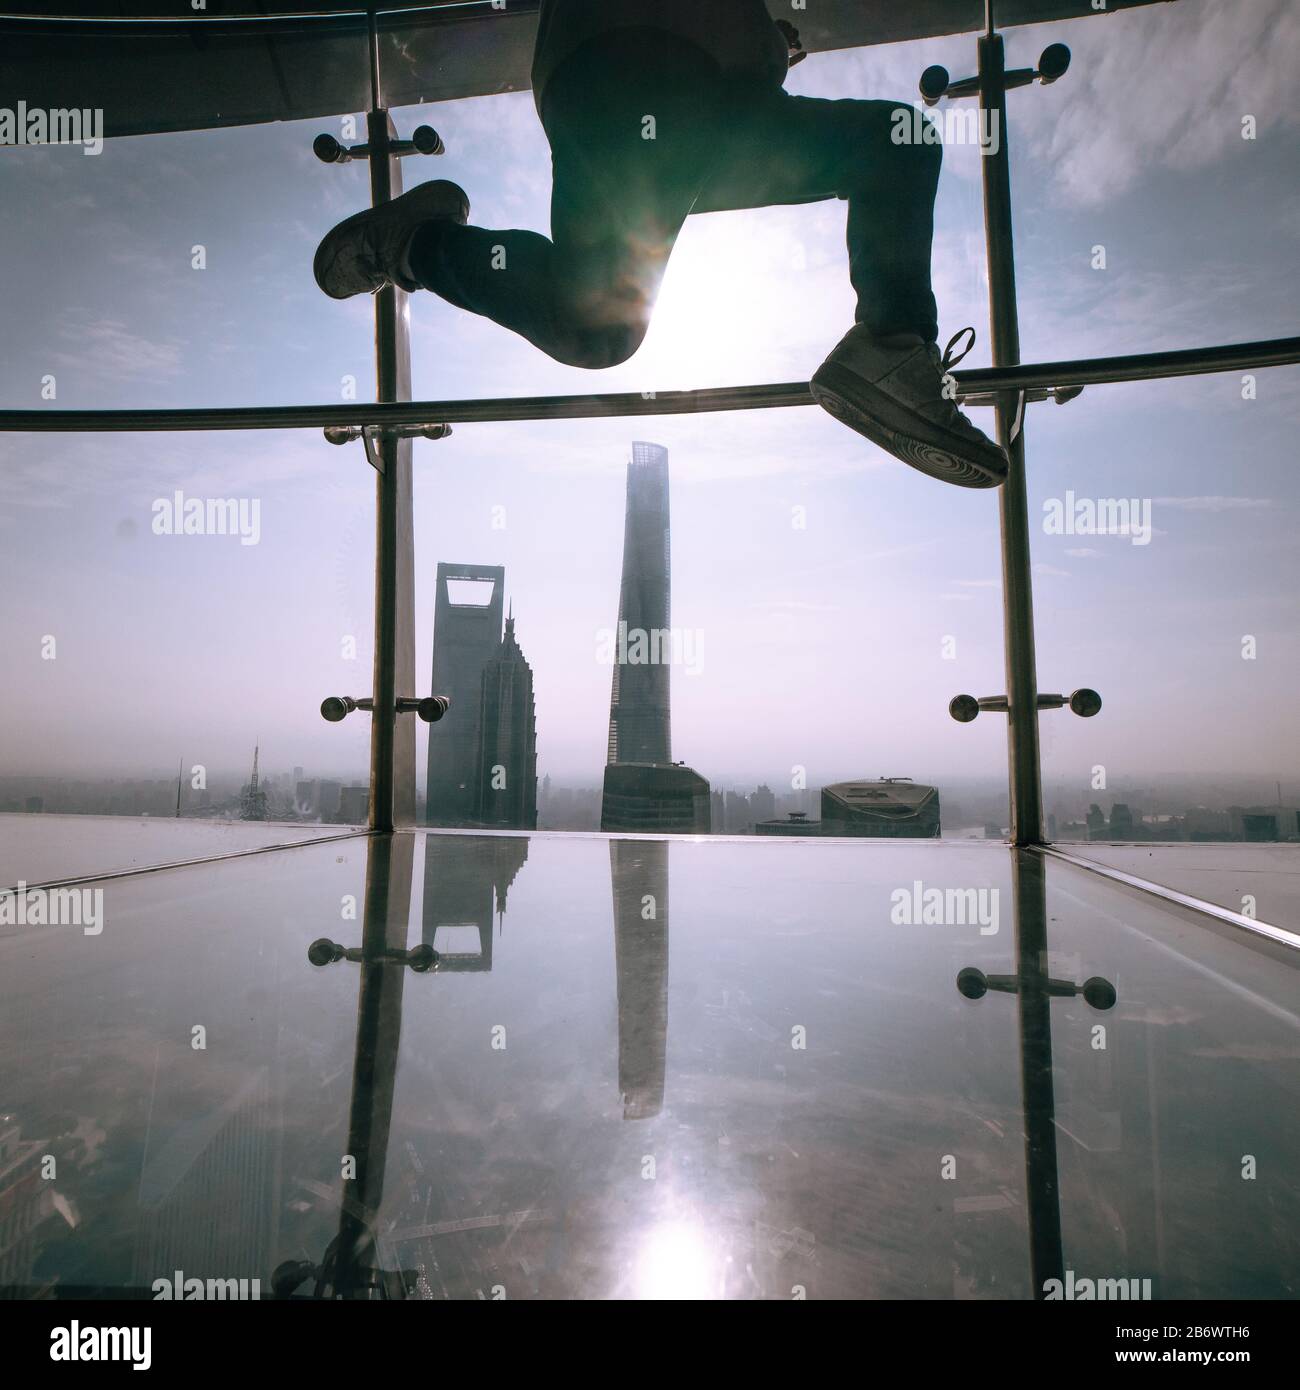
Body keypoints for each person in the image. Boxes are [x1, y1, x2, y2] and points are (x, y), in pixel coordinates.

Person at [314, 0, 1007, 488]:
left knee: (897, 141)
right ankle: (420, 246)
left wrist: (763, 47)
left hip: (676, 99)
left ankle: (893, 350)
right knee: (893, 142)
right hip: (644, 79)